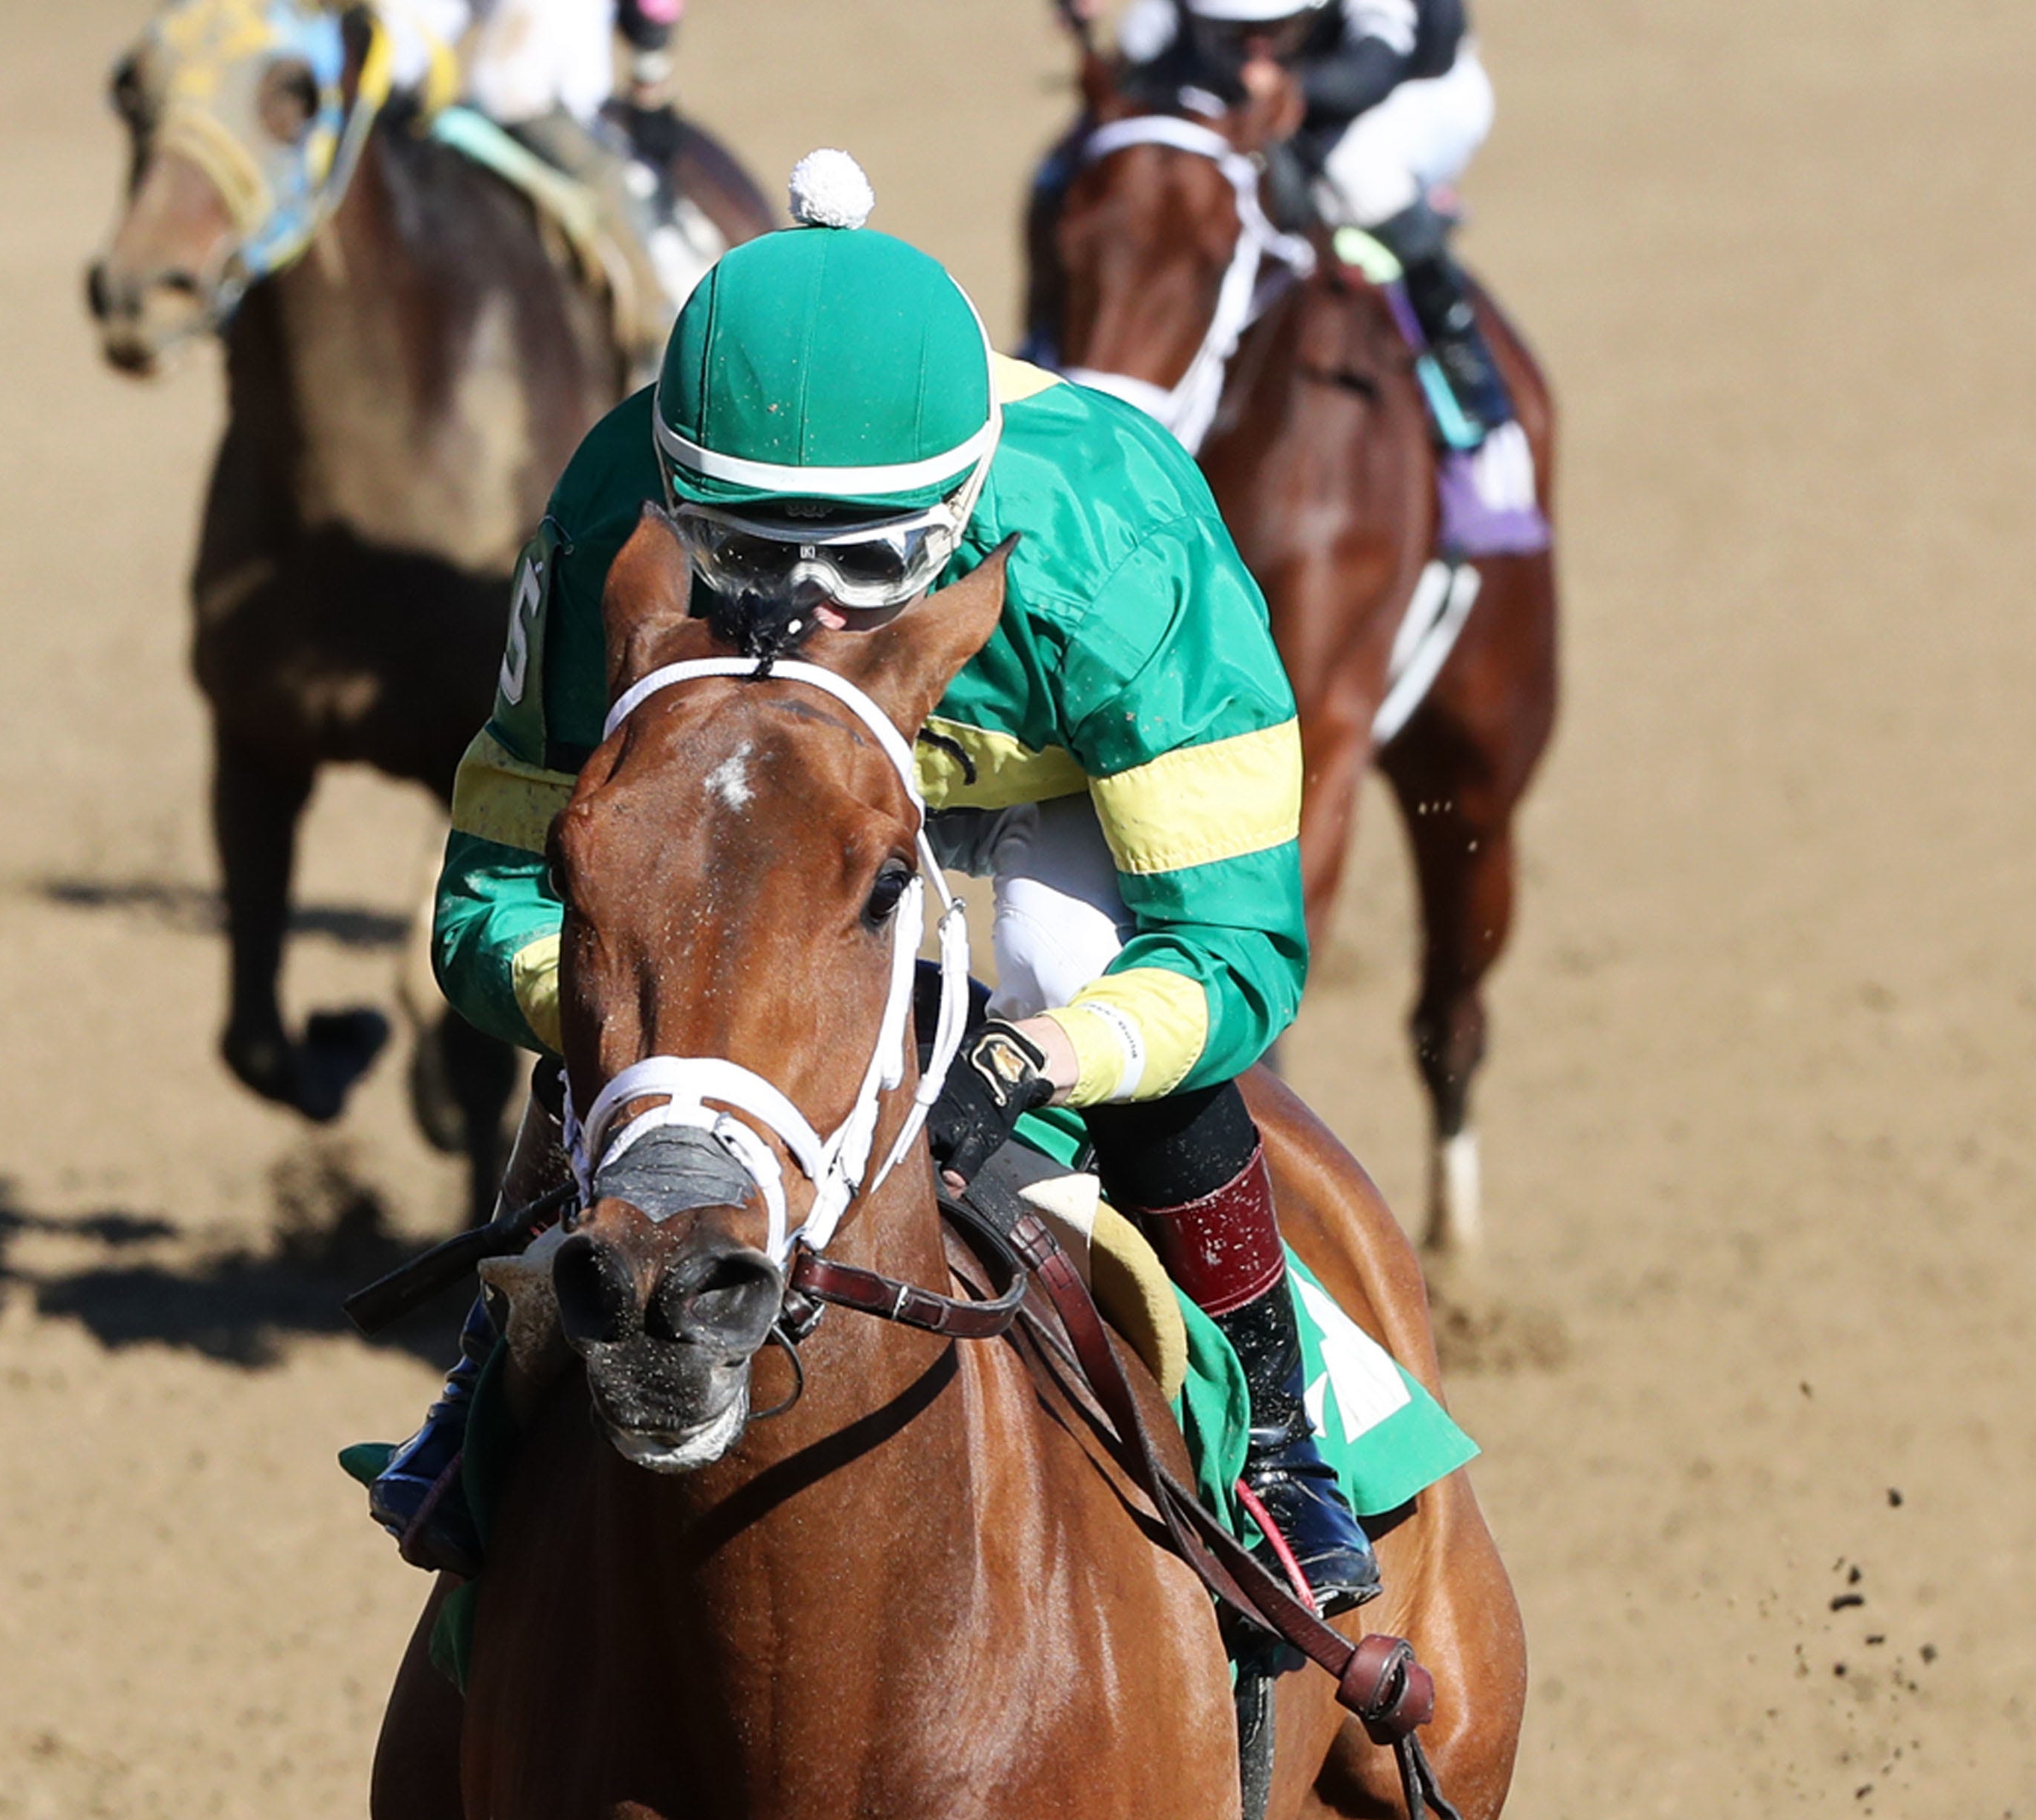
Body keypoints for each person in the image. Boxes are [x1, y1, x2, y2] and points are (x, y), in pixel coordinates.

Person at [374, 153, 1384, 1617]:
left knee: (1058, 956)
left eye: (866, 563)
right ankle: (490, 1367)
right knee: (655, 957)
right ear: (676, 494)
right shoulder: (608, 512)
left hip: (1044, 800)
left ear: (962, 503)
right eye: (749, 556)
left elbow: (1229, 950)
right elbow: (491, 898)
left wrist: (1032, 1057)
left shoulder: (1116, 539)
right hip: (762, 786)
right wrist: (627, 1006)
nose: (814, 614)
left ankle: (1281, 1447)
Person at [1114, 0, 1522, 464]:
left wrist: (1297, 89)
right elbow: (1134, 61)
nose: (1256, 48)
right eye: (1233, 33)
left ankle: (1460, 354)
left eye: (1277, 29)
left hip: (1415, 85)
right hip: (1254, 88)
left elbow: (1375, 66)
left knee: (1357, 175)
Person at [376, 0, 697, 372]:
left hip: (518, 103)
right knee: (610, 181)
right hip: (529, 105)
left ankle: (656, 326)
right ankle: (661, 341)